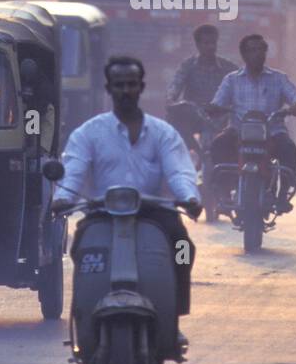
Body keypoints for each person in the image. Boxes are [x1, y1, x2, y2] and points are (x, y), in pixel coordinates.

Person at [58, 56, 202, 345]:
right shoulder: (89, 132)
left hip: (154, 213)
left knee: (183, 248)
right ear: (109, 88)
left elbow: (178, 170)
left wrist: (188, 196)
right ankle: (85, 319)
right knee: (81, 251)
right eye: (119, 85)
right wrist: (62, 198)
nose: (126, 90)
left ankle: (172, 318)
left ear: (141, 87)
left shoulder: (163, 133)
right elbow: (72, 170)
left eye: (131, 84)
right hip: (101, 212)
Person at [209, 34, 296, 212]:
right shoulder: (231, 79)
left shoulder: (279, 78)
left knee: (290, 150)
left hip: (273, 132)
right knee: (218, 144)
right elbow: (218, 103)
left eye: (262, 49)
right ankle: (224, 191)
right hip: (238, 131)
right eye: (252, 50)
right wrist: (215, 108)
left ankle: (283, 194)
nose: (258, 53)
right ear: (244, 55)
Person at [166, 23, 239, 153]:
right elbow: (175, 87)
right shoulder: (188, 66)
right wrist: (171, 99)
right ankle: (195, 153)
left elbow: (244, 85)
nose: (210, 47)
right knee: (173, 115)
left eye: (213, 43)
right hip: (195, 117)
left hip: (222, 118)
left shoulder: (228, 67)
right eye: (206, 43)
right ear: (198, 45)